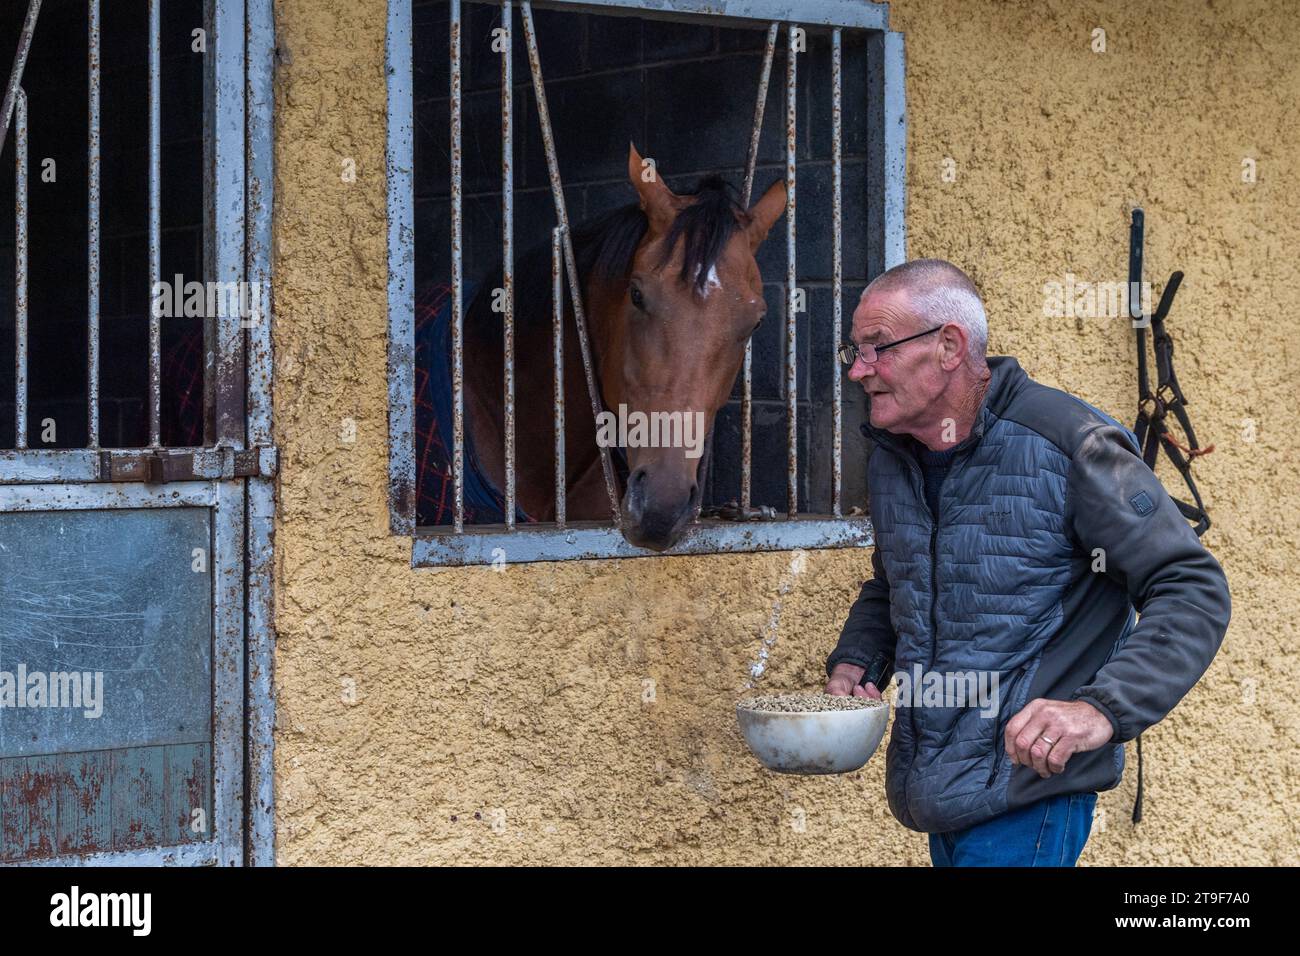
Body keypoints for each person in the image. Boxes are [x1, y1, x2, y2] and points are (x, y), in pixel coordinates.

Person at [823, 259, 1230, 866]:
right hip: (940, 789)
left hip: (1031, 791)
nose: (858, 370)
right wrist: (862, 657)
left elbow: (1191, 587)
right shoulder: (894, 455)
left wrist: (1098, 709)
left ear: (949, 346)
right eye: (852, 351)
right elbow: (898, 581)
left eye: (876, 349)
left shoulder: (1072, 444)